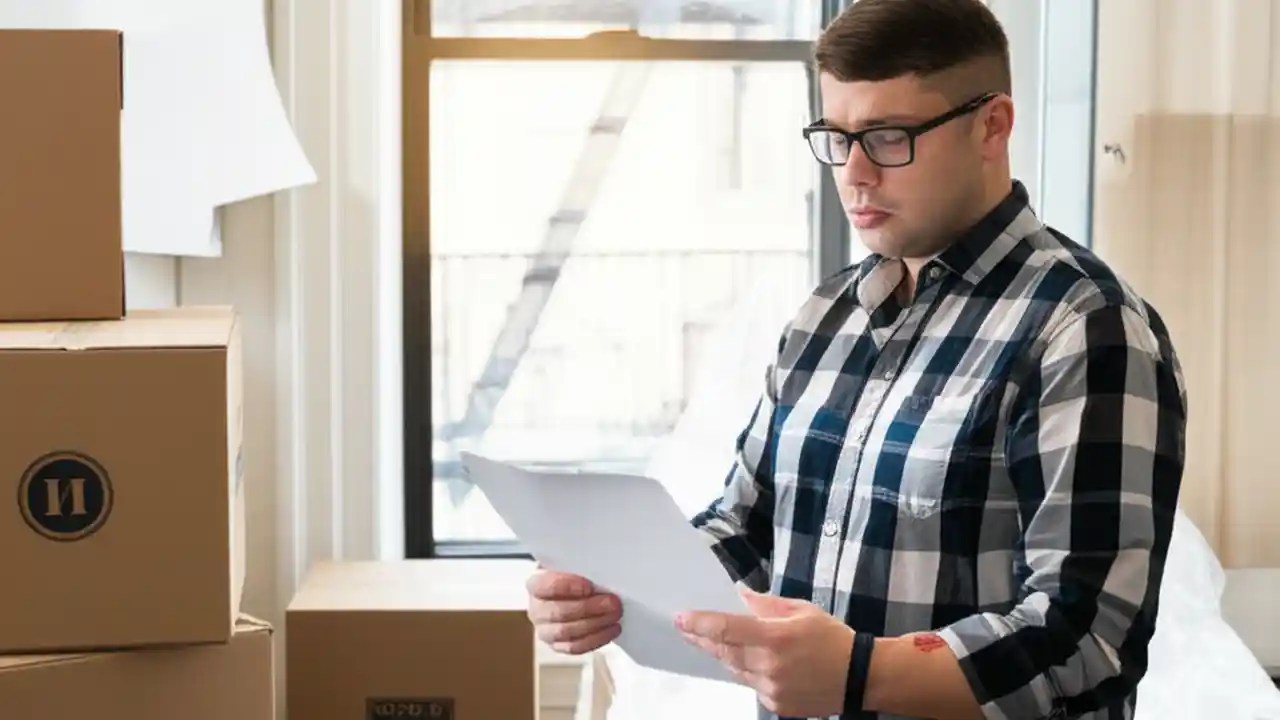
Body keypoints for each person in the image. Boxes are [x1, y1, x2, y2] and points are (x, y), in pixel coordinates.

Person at [525, 0, 1188, 718]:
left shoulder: (1084, 327)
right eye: (837, 137)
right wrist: (615, 588)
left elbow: (1086, 638)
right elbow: (747, 527)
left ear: (992, 125)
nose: (856, 173)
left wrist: (861, 673)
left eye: (888, 136)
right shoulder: (825, 317)